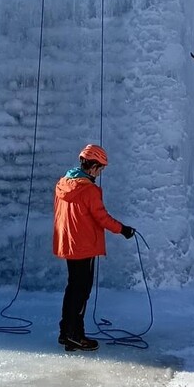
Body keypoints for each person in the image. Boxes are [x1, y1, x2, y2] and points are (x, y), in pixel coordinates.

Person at [53, 143, 135, 352]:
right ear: (93, 166)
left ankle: (66, 332)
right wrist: (123, 229)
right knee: (81, 291)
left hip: (68, 243)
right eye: (101, 169)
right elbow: (102, 218)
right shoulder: (89, 190)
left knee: (73, 288)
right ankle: (75, 335)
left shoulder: (63, 184)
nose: (100, 173)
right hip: (84, 246)